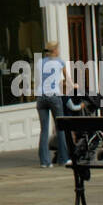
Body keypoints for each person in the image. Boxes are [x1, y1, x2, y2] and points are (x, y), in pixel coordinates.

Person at [36, 40, 72, 168]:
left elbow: (40, 79)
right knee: (60, 128)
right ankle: (63, 158)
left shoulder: (40, 62)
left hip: (41, 97)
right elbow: (67, 80)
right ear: (55, 50)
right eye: (58, 49)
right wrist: (73, 85)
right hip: (53, 96)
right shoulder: (60, 62)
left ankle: (45, 161)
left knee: (44, 130)